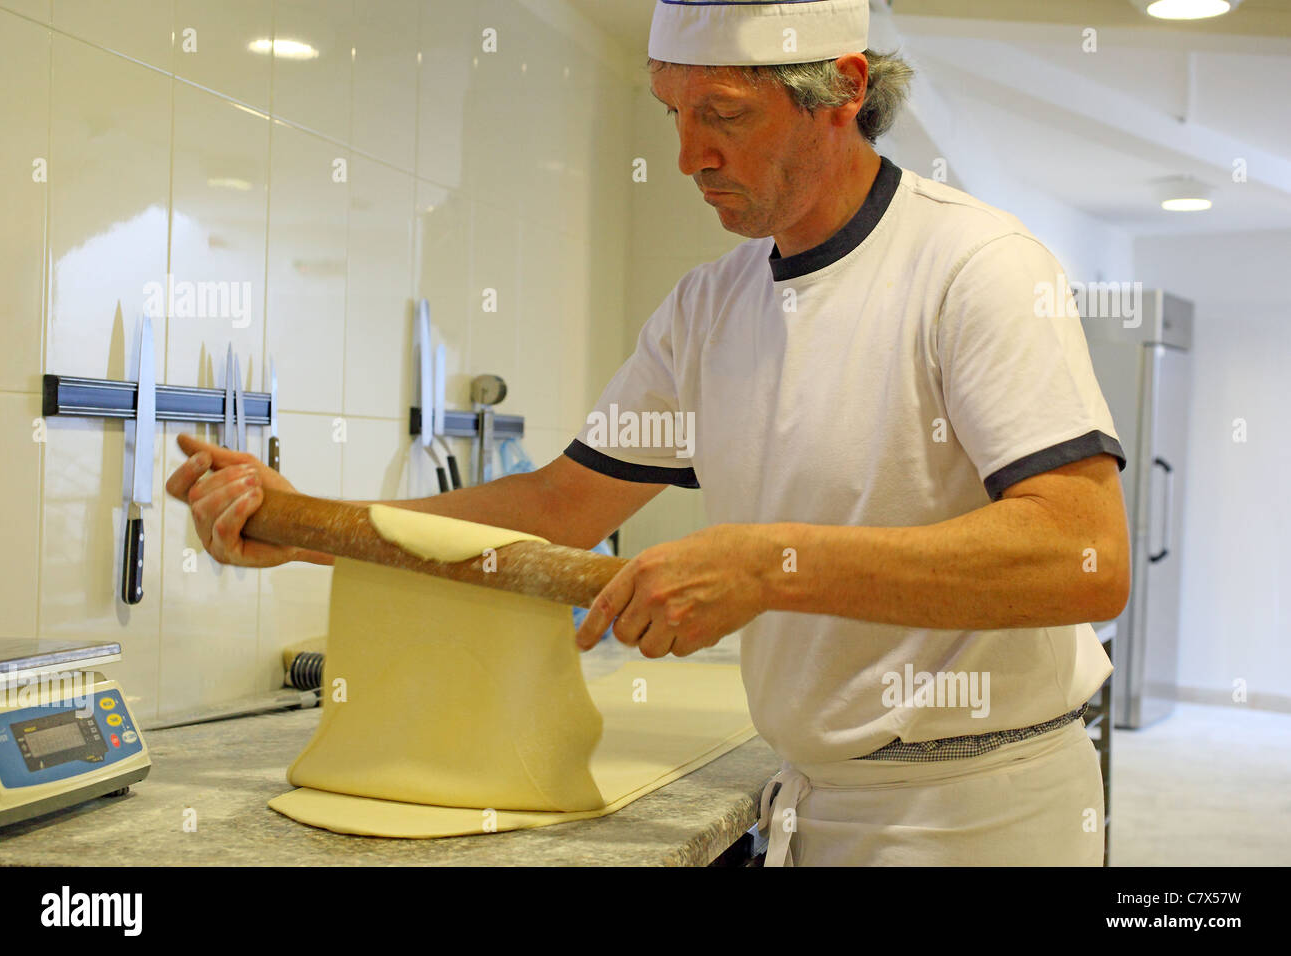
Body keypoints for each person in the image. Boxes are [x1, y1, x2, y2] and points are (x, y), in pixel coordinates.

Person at [166, 0, 1130, 866]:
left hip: (982, 819)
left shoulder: (978, 268)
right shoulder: (710, 309)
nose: (688, 156)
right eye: (675, 114)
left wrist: (767, 567)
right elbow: (556, 508)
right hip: (821, 799)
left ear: (841, 90)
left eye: (725, 114)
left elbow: (1085, 556)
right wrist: (303, 525)